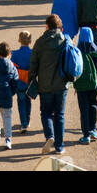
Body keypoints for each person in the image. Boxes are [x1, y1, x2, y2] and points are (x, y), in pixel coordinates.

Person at [29, 13, 71, 155]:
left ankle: (50, 136)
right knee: (59, 115)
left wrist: (31, 80)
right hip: (61, 84)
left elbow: (33, 63)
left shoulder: (40, 42)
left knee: (46, 113)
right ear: (59, 26)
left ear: (47, 26)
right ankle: (59, 147)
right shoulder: (65, 40)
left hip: (45, 85)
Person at [74, 25, 97, 145]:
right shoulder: (95, 49)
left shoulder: (78, 50)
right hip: (94, 83)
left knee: (84, 108)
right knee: (93, 105)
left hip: (81, 84)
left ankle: (86, 135)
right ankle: (93, 130)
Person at [11, 31, 33, 134]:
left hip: (19, 82)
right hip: (30, 82)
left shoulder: (14, 54)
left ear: (19, 40)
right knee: (28, 101)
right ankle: (27, 121)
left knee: (21, 102)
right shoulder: (33, 53)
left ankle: (23, 123)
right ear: (30, 41)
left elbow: (12, 69)